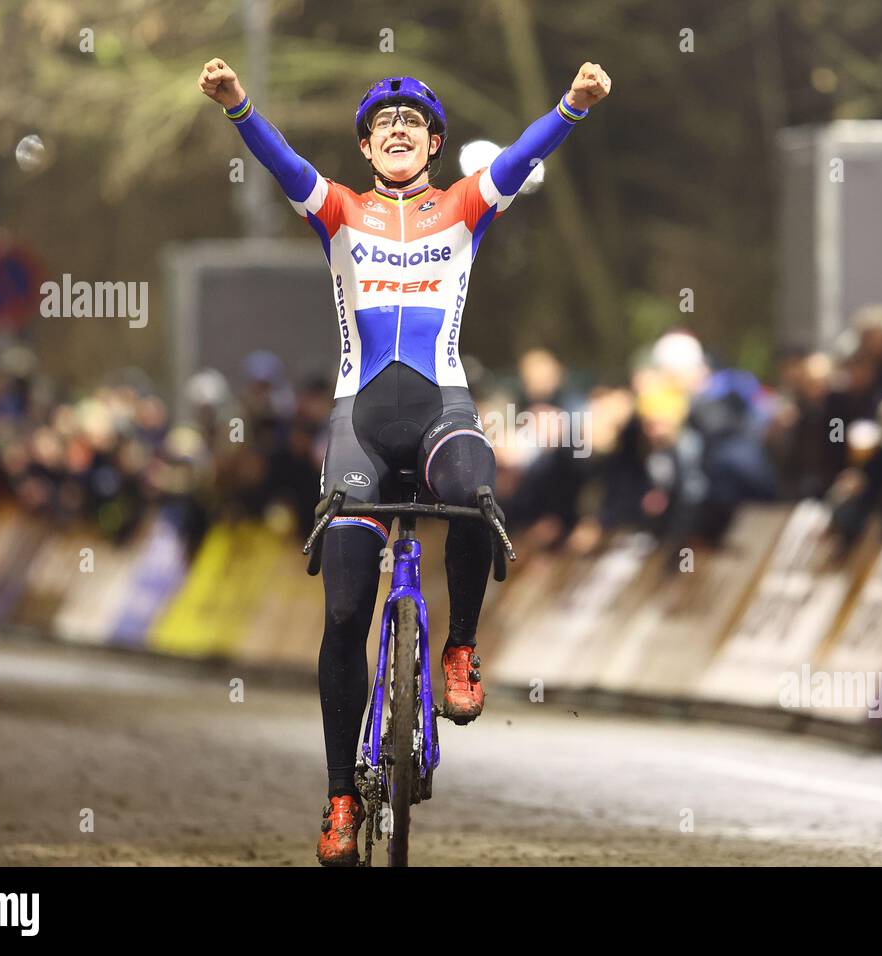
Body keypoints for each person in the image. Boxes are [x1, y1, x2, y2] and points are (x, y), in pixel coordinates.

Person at [198, 57, 611, 865]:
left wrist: (572, 106)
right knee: (347, 612)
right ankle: (341, 801)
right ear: (364, 147)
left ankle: (459, 647)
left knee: (472, 488)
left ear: (434, 145)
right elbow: (285, 164)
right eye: (384, 126)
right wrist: (238, 106)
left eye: (413, 124)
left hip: (440, 411)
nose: (398, 132)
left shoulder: (463, 207)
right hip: (359, 424)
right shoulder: (339, 210)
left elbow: (523, 158)